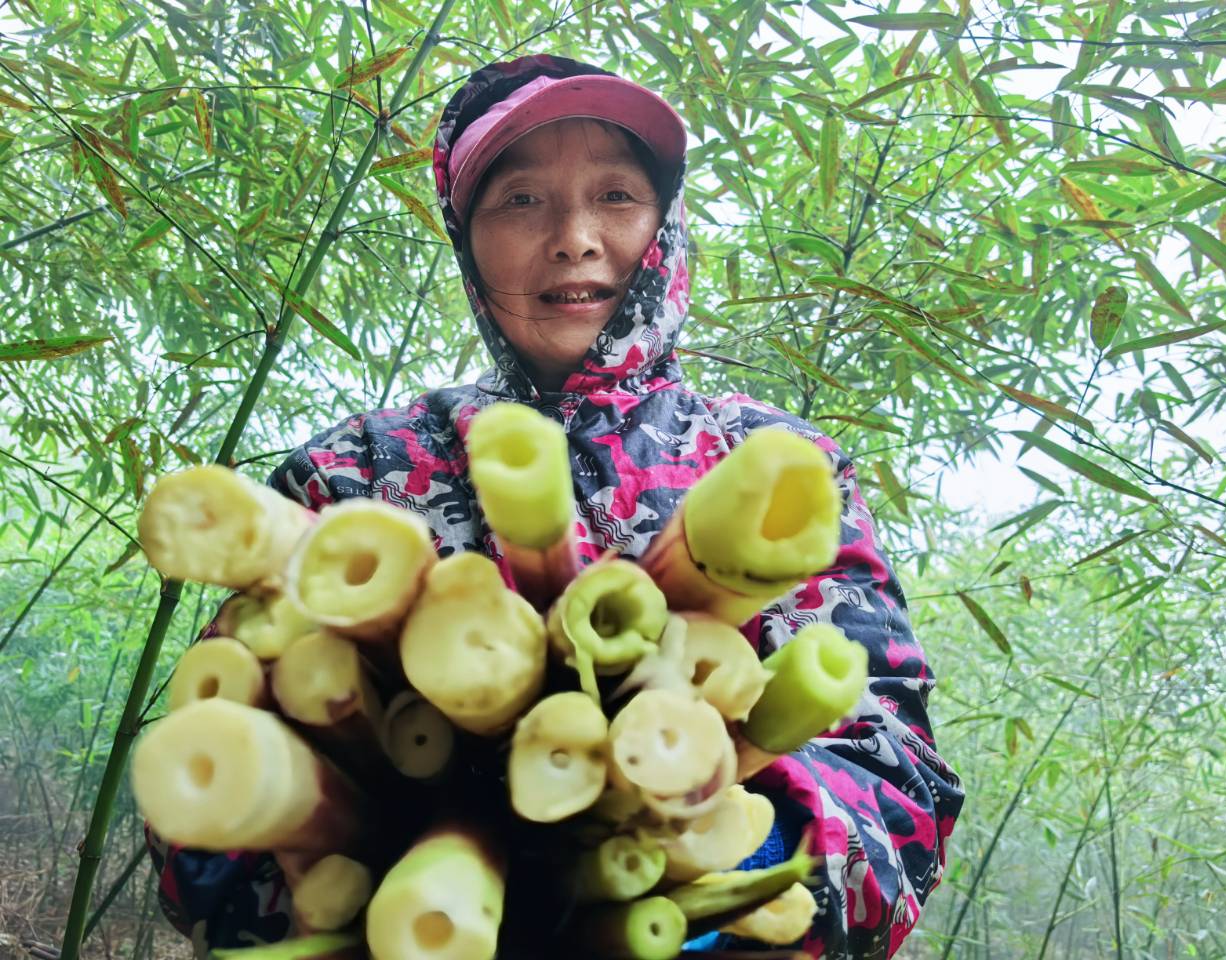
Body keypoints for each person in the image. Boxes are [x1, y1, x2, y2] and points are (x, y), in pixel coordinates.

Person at [146, 54, 964, 959]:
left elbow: (898, 781)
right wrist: (344, 873)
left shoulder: (773, 467)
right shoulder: (354, 474)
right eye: (521, 201)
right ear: (468, 243)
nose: (575, 236)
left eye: (617, 194)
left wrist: (737, 855)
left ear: (666, 225)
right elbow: (198, 817)